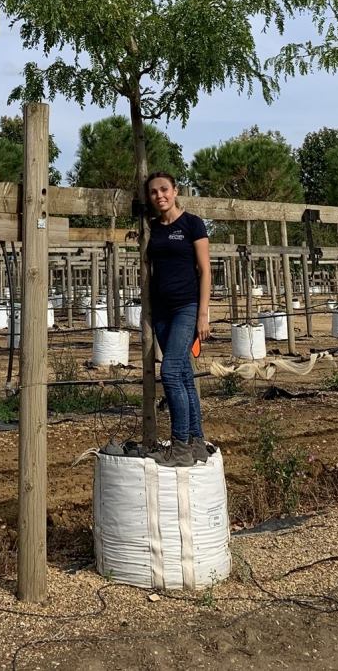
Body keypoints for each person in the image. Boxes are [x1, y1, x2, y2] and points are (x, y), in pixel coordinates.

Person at [144, 171, 211, 466]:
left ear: (175, 191)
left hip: (186, 306)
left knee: (170, 373)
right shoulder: (152, 229)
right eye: (154, 192)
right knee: (182, 374)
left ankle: (180, 446)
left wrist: (202, 315)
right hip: (161, 311)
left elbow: (205, 271)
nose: (160, 196)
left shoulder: (192, 224)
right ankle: (196, 443)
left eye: (164, 190)